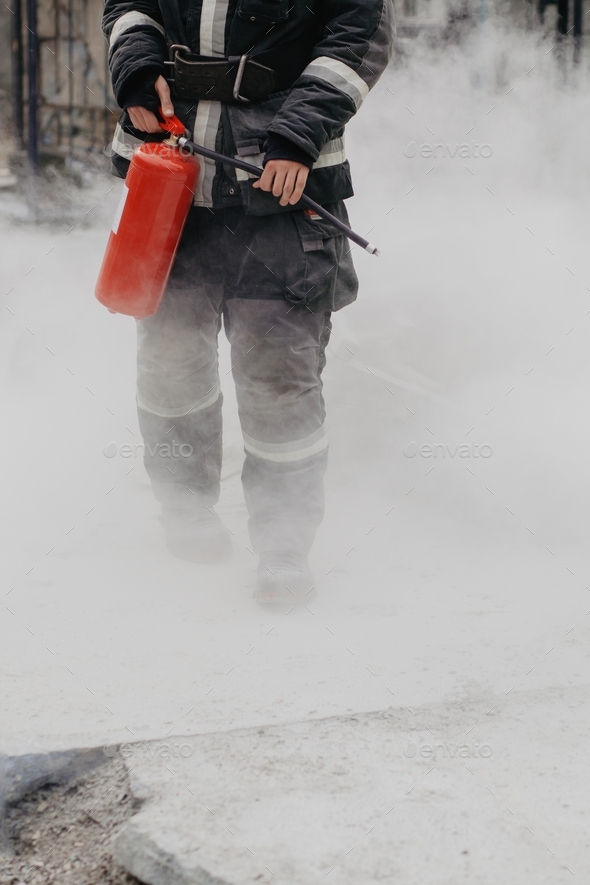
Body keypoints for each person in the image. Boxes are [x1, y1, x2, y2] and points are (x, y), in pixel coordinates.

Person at [102, 0, 395, 603]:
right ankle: (184, 508)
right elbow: (131, 6)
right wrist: (134, 66)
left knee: (279, 377)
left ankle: (285, 545)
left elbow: (356, 36)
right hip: (168, 176)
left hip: (280, 188)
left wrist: (296, 134)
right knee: (170, 361)